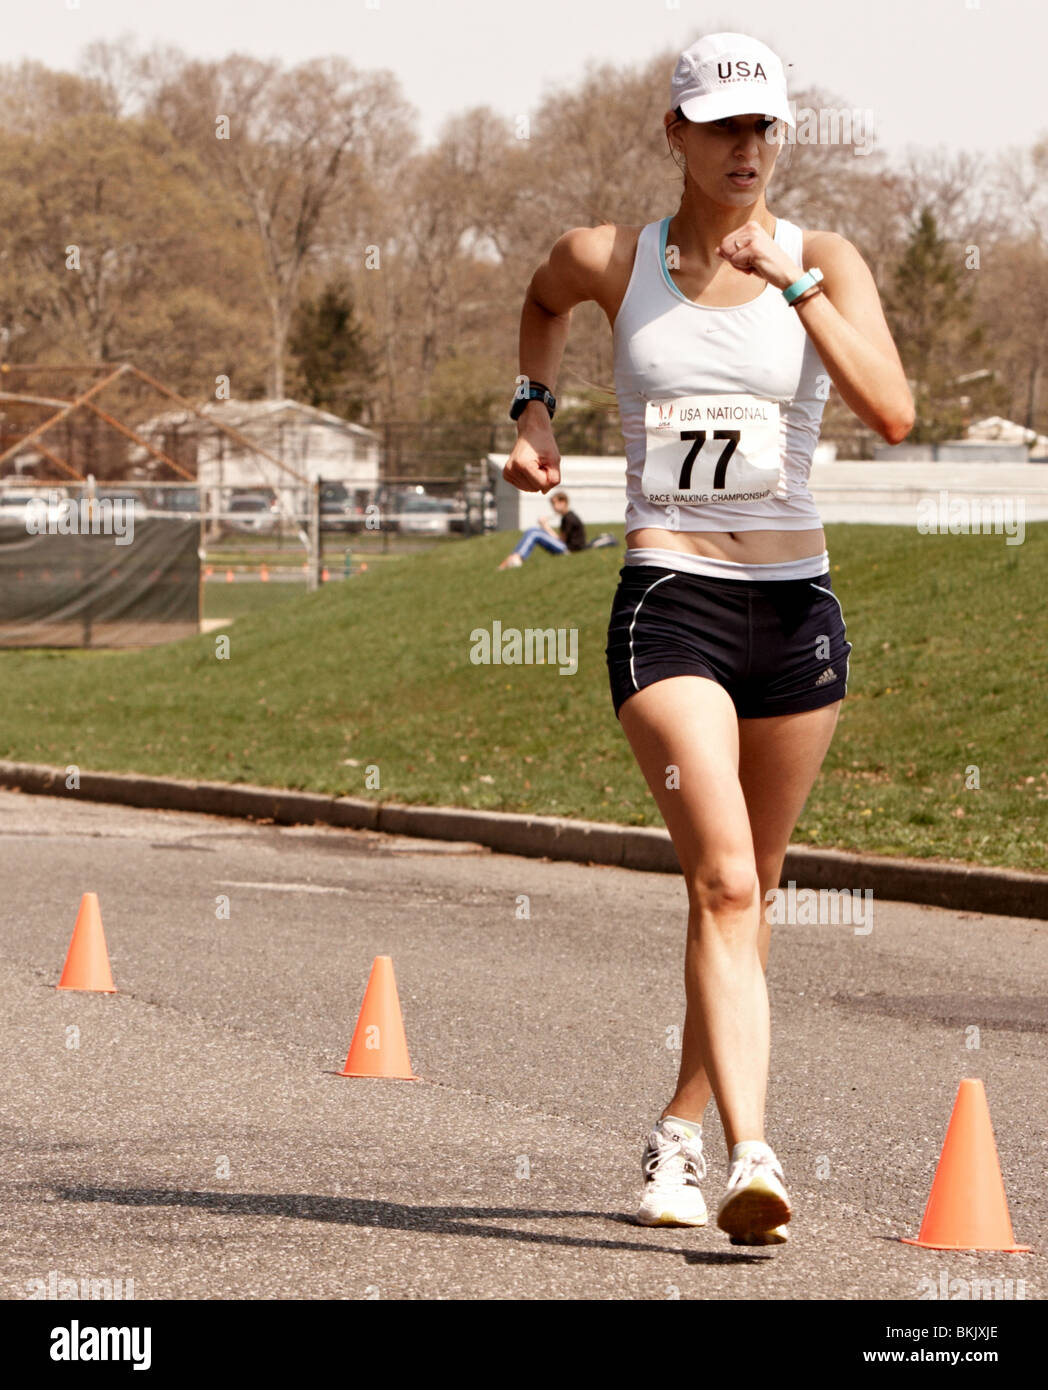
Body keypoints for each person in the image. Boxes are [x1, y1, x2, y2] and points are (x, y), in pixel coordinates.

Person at [501, 32, 913, 1245]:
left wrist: (789, 285)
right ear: (672, 133)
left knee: (744, 892)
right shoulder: (607, 259)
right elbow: (540, 300)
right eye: (722, 126)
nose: (747, 148)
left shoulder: (826, 259)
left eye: (764, 127)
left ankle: (676, 1132)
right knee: (725, 880)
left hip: (796, 615)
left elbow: (891, 411)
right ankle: (752, 1157)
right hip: (668, 602)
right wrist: (533, 412)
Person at [497, 490, 587, 568]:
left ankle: (517, 557)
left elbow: (561, 541)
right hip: (568, 548)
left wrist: (545, 527)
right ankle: (515, 556)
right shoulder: (567, 517)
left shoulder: (569, 518)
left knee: (534, 532)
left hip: (569, 550)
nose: (553, 507)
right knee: (534, 531)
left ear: (563, 502)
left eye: (555, 503)